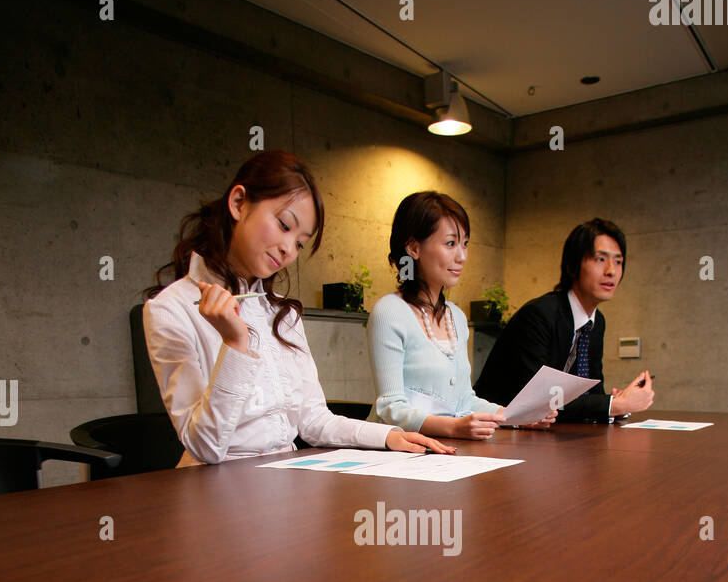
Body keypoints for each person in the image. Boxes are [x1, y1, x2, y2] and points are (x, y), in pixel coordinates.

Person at [144, 152, 454, 465]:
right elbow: (205, 448)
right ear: (238, 203)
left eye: (300, 243)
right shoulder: (170, 309)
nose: (288, 250)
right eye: (283, 225)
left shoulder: (281, 312)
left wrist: (388, 436)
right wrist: (235, 345)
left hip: (287, 477)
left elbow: (314, 420)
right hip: (214, 488)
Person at [366, 191, 557, 438]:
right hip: (398, 453)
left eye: (465, 243)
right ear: (413, 247)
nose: (462, 256)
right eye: (450, 244)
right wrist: (455, 427)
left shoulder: (455, 317)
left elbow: (465, 400)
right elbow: (390, 408)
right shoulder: (389, 311)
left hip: (447, 450)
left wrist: (517, 417)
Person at [475, 218, 654, 422]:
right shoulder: (539, 315)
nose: (611, 271)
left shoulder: (596, 322)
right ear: (572, 265)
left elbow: (590, 390)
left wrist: (615, 403)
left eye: (619, 261)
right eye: (600, 259)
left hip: (548, 432)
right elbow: (539, 399)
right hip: (495, 428)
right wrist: (615, 404)